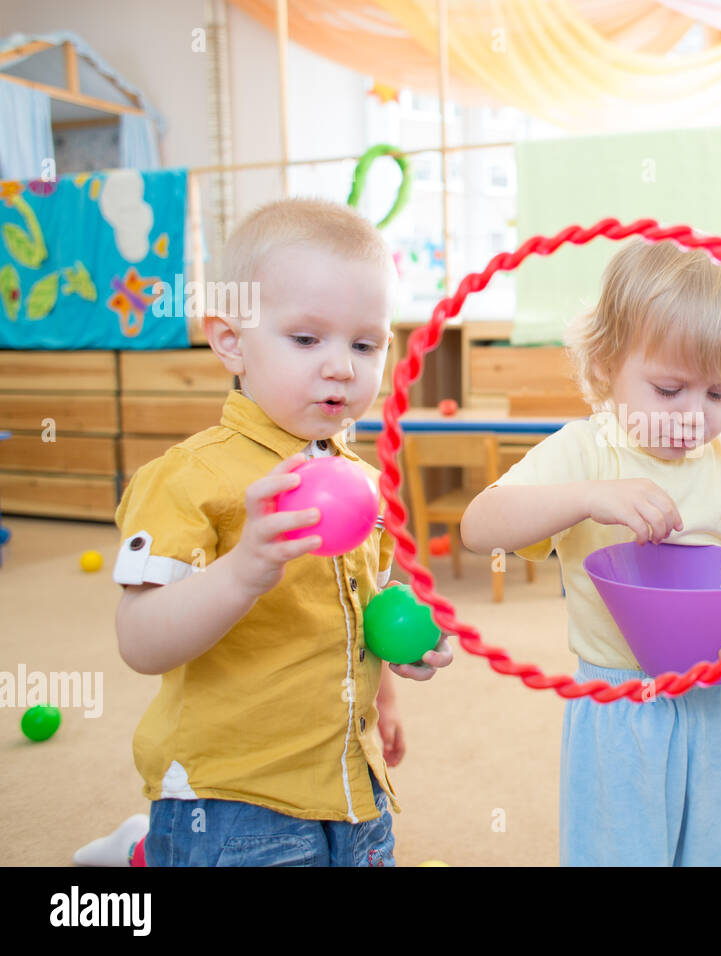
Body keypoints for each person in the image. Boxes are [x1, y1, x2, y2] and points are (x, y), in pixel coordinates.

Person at [458, 239, 721, 866]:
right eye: (668, 389)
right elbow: (479, 526)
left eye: (718, 395)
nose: (692, 416)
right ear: (605, 366)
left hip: (718, 705)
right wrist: (585, 498)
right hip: (619, 706)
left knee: (713, 852)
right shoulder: (585, 451)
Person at [110, 198, 452, 867]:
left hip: (349, 785)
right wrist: (242, 571)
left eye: (364, 344)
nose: (341, 367)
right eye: (306, 339)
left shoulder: (360, 481)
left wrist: (391, 678)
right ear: (231, 340)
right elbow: (140, 642)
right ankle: (146, 851)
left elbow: (363, 607)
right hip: (232, 796)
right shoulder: (187, 477)